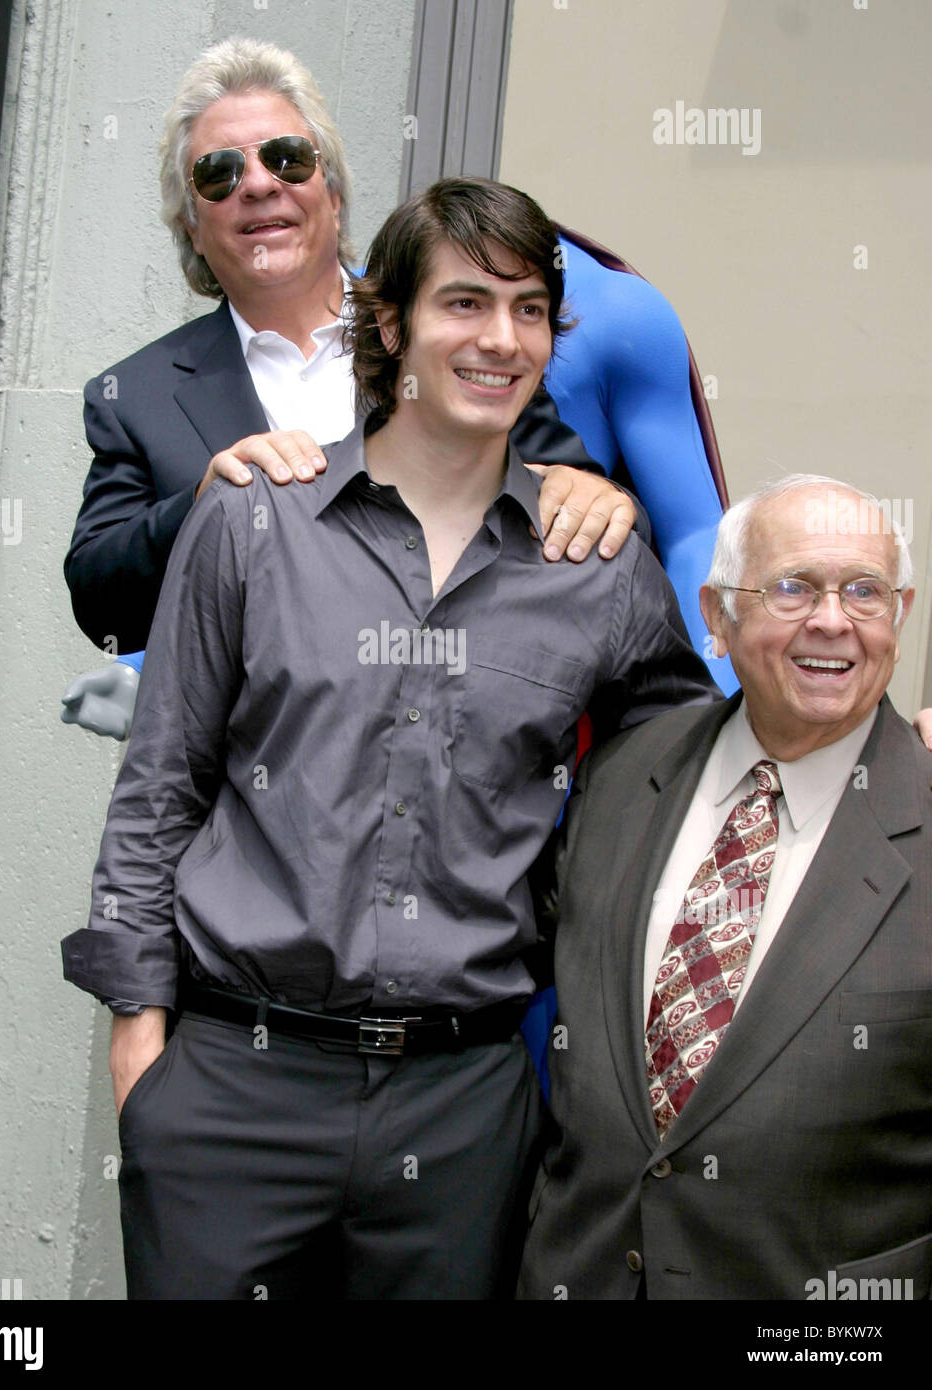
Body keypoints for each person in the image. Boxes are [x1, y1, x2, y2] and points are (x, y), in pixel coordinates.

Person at [60, 175, 717, 1300]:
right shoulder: (254, 520)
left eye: (526, 309)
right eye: (464, 303)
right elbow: (159, 781)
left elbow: (676, 784)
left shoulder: (596, 568)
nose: (499, 338)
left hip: (461, 1101)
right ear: (388, 324)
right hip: (232, 1082)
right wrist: (141, 1044)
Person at [61, 37, 635, 682]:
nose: (257, 185)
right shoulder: (137, 394)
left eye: (286, 159)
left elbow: (583, 496)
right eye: (219, 173)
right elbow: (101, 605)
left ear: (332, 194)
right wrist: (202, 502)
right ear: (191, 224)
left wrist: (593, 495)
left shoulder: (442, 327)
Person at [519, 475, 932, 1301]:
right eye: (793, 587)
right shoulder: (618, 779)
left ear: (902, 612)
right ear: (715, 615)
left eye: (864, 591)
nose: (831, 620)